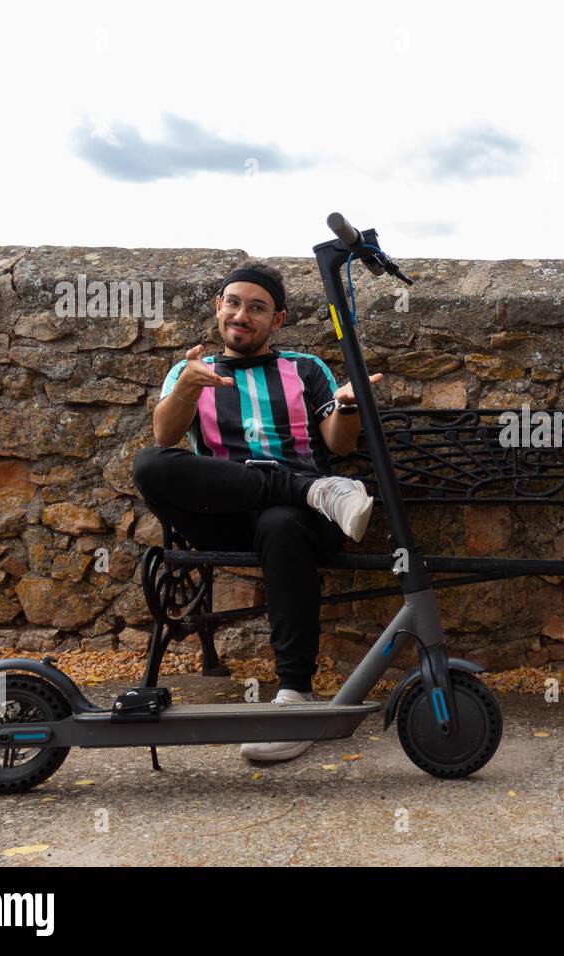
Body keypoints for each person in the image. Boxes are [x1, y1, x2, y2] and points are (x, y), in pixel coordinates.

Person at [132, 259, 380, 763]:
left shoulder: (305, 369)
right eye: (233, 303)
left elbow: (340, 443)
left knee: (280, 520)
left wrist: (349, 406)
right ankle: (307, 489)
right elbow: (165, 437)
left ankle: (295, 698)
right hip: (225, 517)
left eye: (257, 307)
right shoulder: (190, 372)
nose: (241, 315)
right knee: (149, 464)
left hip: (300, 526)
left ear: (278, 320)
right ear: (219, 308)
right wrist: (186, 388)